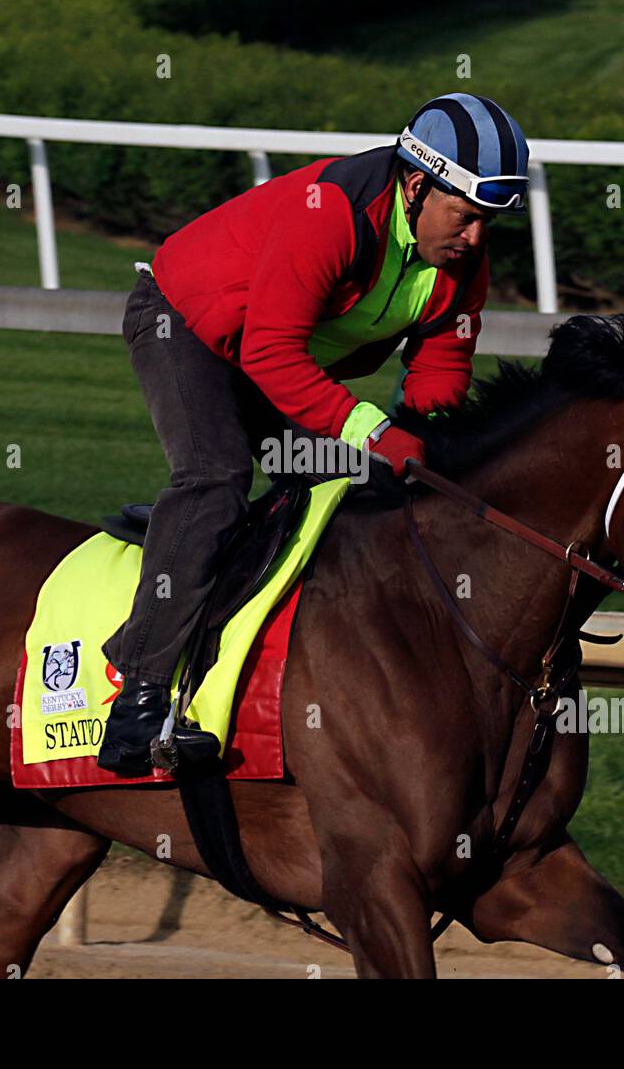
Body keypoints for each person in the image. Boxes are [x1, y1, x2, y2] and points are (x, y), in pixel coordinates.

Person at [97, 93, 530, 775]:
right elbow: (271, 353)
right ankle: (137, 703)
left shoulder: (461, 259)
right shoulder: (331, 215)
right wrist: (375, 428)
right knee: (216, 479)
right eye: (467, 215)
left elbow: (442, 359)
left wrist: (426, 445)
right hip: (184, 323)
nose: (476, 238)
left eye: (489, 222)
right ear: (416, 186)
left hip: (271, 350)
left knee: (359, 484)